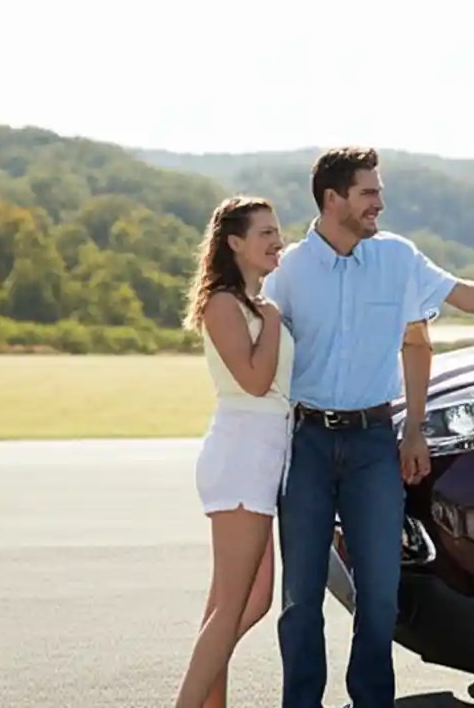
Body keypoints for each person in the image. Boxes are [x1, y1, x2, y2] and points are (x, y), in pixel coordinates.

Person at [262, 146, 474, 708]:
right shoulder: (290, 272)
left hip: (375, 443)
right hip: (304, 443)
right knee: (301, 596)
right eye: (368, 192)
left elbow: (459, 297)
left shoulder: (397, 259)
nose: (380, 202)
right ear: (333, 198)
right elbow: (259, 352)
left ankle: (371, 701)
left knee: (380, 592)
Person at [174, 196, 294, 708]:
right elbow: (254, 378)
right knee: (233, 607)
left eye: (277, 231)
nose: (276, 241)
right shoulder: (225, 304)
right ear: (235, 243)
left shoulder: (254, 304)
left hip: (264, 455)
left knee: (247, 602)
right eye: (264, 233)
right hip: (242, 454)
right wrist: (270, 319)